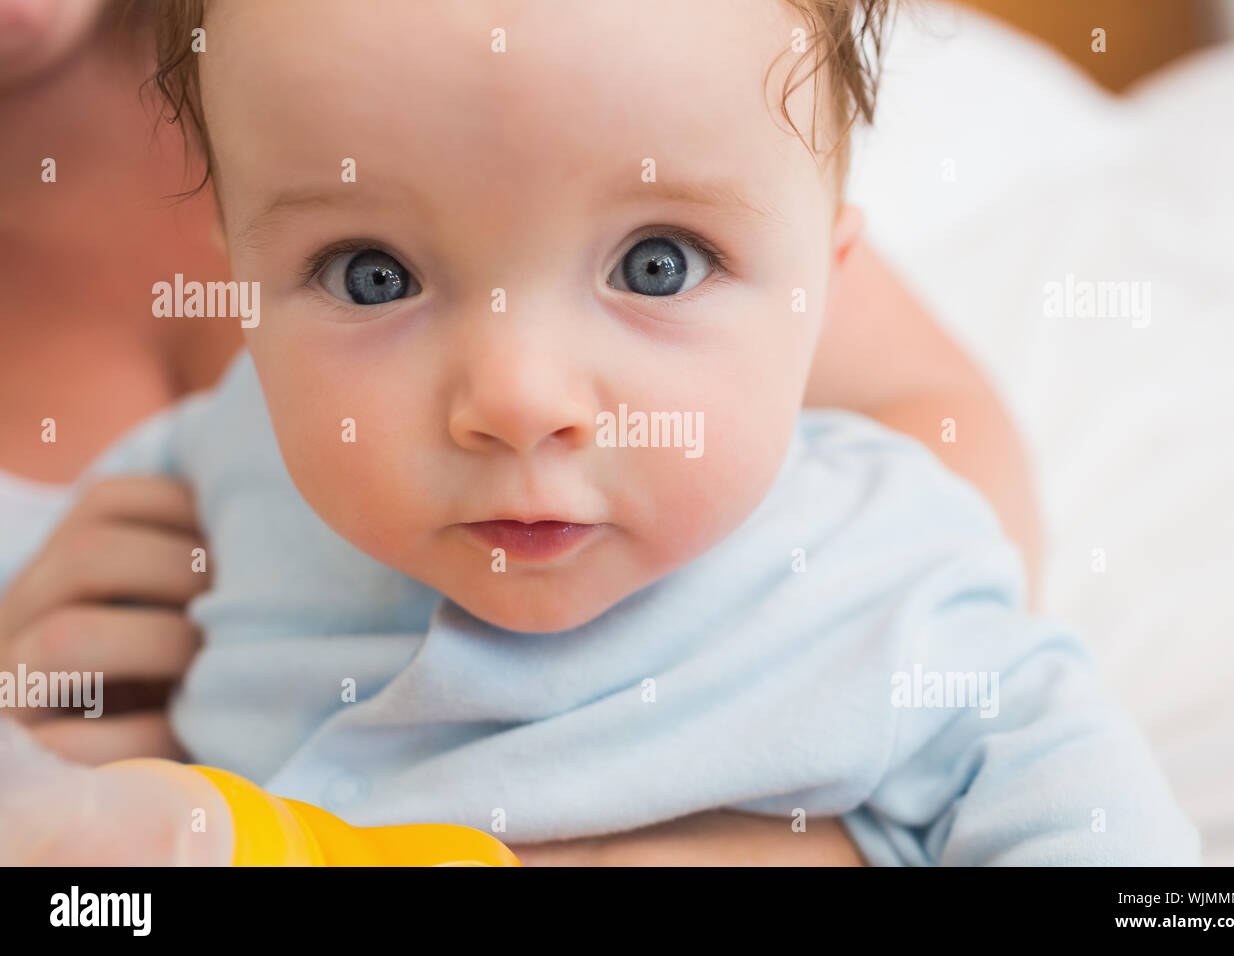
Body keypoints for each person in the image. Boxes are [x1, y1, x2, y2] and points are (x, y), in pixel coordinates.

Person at [0, 0, 1043, 864]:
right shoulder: (222, 452)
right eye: (374, 276)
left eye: (654, 266)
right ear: (233, 273)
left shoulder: (892, 576)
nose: (514, 397)